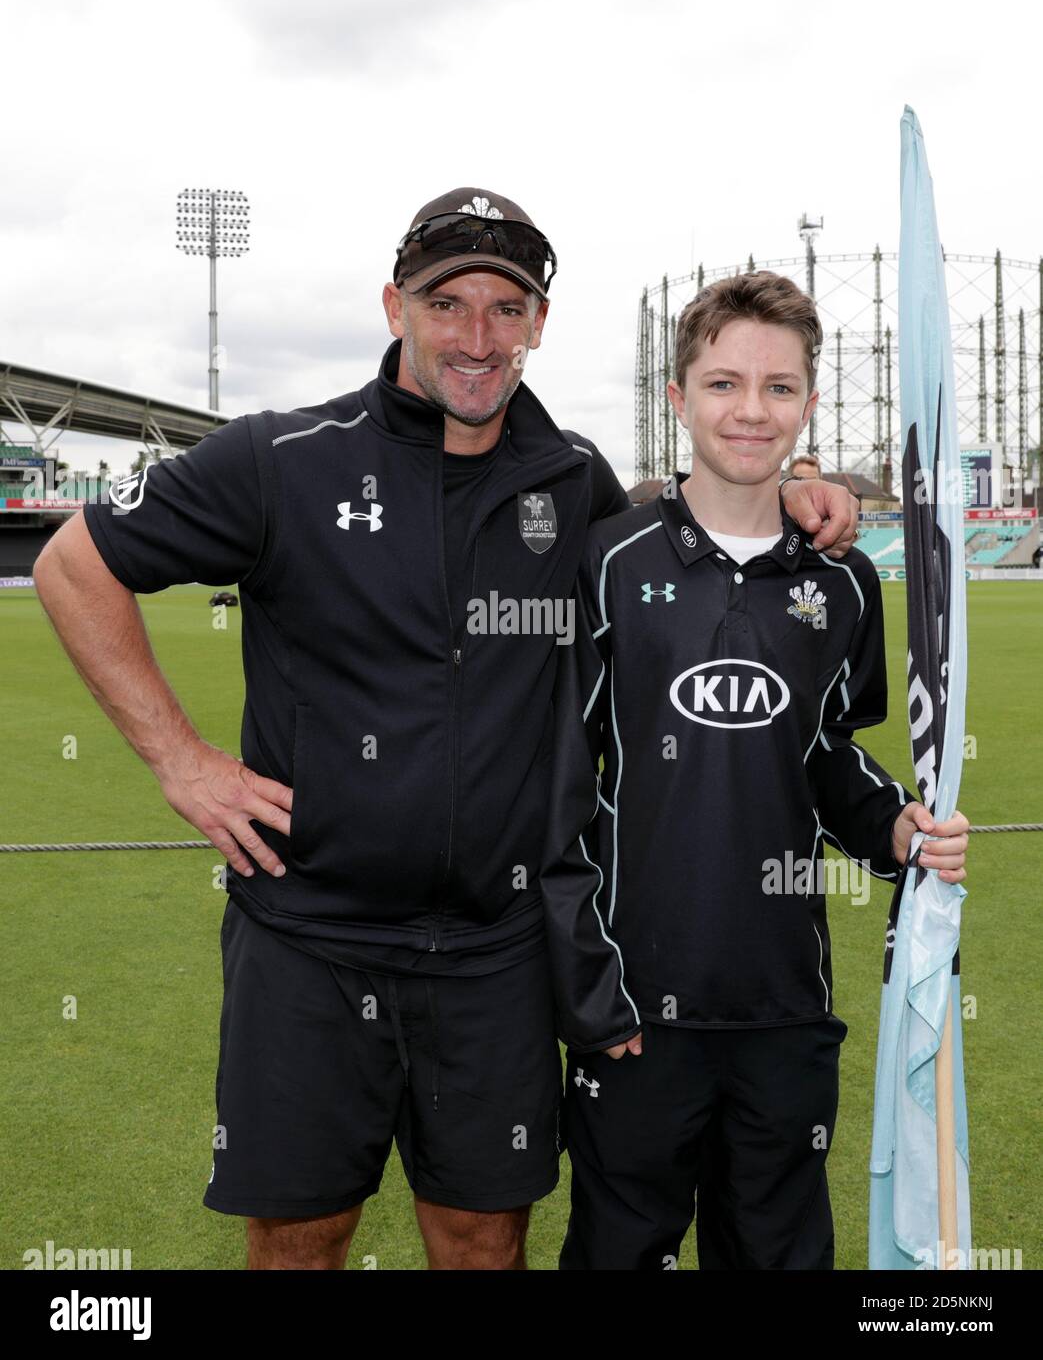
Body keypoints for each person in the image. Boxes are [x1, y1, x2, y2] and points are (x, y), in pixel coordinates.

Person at [33, 193, 862, 1271]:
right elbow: (73, 564)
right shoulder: (284, 458)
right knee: (300, 1236)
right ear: (395, 307)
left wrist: (801, 486)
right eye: (447, 302)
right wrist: (181, 762)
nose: (476, 336)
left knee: (480, 1240)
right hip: (308, 938)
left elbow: (696, 530)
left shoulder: (570, 481)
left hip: (498, 953)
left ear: (537, 322)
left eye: (504, 307)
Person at [541, 270, 969, 1271]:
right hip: (635, 1010)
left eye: (778, 388)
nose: (750, 409)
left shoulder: (844, 581)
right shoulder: (605, 561)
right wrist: (588, 994)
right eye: (723, 383)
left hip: (783, 1008)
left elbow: (821, 756)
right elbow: (556, 791)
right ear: (677, 398)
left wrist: (897, 828)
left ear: (807, 407)